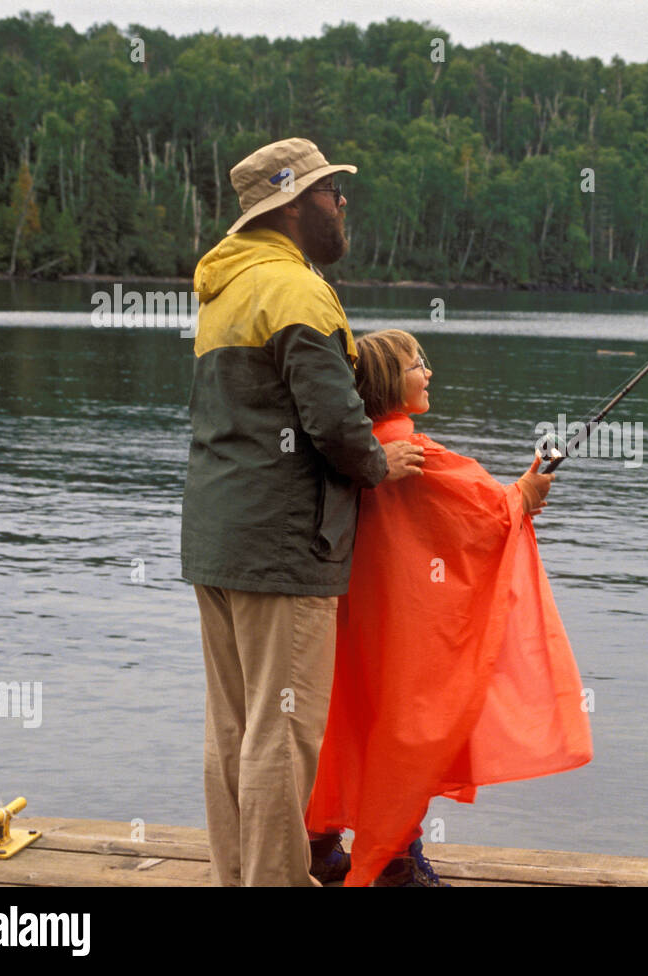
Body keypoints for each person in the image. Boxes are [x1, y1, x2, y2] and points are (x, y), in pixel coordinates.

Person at [180, 138, 425, 886]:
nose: (341, 203)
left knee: (234, 730)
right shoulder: (295, 291)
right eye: (330, 193)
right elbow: (334, 423)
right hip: (284, 546)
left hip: (216, 541)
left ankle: (241, 877)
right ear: (291, 206)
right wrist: (381, 465)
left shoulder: (228, 288)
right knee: (282, 734)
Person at [304, 329, 593, 887]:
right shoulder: (415, 455)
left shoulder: (352, 452)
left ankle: (320, 842)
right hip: (403, 628)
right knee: (407, 729)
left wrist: (519, 494)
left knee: (350, 721)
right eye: (419, 363)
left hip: (350, 619)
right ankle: (394, 860)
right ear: (392, 380)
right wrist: (529, 491)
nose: (429, 373)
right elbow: (488, 512)